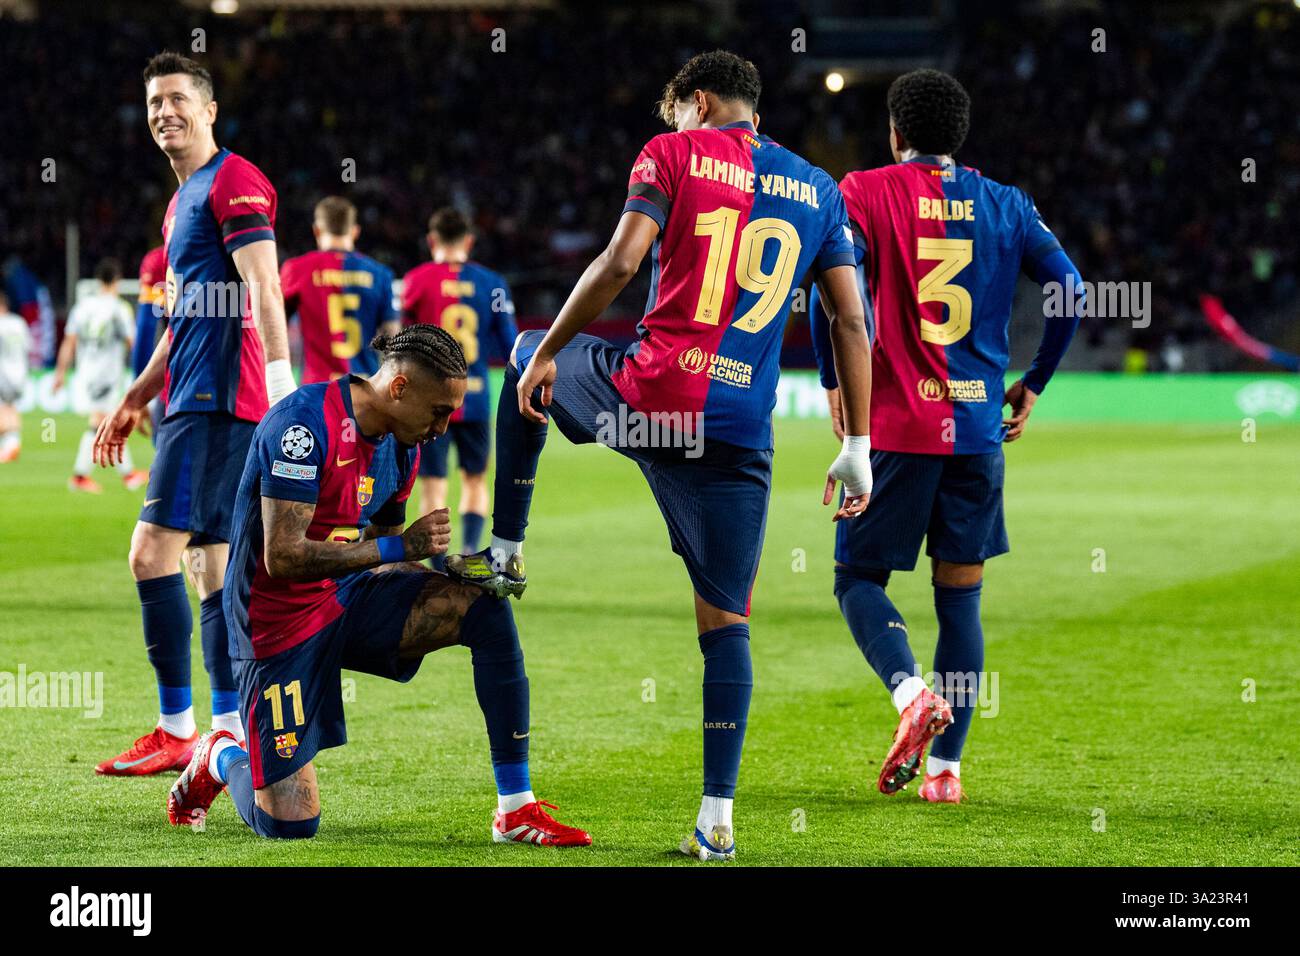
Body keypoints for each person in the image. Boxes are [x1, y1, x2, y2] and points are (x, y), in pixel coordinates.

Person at [448, 50, 874, 860]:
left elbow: (620, 261)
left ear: (699, 101)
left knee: (528, 351)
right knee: (726, 622)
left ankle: (505, 549)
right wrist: (857, 445)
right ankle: (717, 820)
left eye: (672, 110)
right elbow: (852, 323)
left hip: (650, 401)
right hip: (741, 428)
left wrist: (551, 353)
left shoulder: (674, 153)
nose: (667, 125)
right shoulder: (821, 188)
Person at [167, 325, 591, 848]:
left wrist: (448, 572)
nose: (442, 430)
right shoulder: (302, 426)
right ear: (398, 388)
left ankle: (516, 809)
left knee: (484, 608)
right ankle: (221, 753)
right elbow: (284, 557)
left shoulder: (402, 447)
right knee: (290, 825)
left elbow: (387, 559)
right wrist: (400, 549)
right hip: (274, 626)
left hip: (343, 600)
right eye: (438, 412)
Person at [810, 68, 1084, 803]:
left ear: (895, 131)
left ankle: (909, 694)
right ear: (960, 134)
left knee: (857, 579)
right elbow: (1072, 289)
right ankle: (946, 773)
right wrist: (1035, 382)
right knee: (960, 600)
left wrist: (836, 384)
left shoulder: (863, 192)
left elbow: (828, 289)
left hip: (897, 427)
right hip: (974, 431)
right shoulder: (1008, 203)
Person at [92, 51, 295, 776]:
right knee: (211, 569)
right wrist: (136, 394)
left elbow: (265, 289)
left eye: (178, 98)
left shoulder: (236, 179)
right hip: (188, 395)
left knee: (151, 555)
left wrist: (280, 394)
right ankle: (225, 730)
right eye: (153, 102)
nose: (164, 112)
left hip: (219, 401)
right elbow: (182, 318)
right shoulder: (182, 202)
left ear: (210, 110)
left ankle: (177, 727)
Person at [401, 207, 516, 567]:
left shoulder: (416, 281)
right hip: (477, 395)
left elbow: (397, 339)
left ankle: (436, 565)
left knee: (433, 483)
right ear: (469, 241)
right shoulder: (493, 283)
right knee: (475, 480)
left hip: (429, 400)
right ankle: (467, 553)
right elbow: (511, 343)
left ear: (431, 240)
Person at [280, 196, 398, 385]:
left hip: (317, 389)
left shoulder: (297, 270)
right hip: (367, 386)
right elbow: (393, 339)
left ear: (317, 230)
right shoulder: (379, 274)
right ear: (355, 231)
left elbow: (275, 325)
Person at [53, 258, 148, 492]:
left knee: (104, 420)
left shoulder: (82, 307)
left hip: (86, 373)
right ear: (116, 281)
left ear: (97, 281)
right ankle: (83, 476)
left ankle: (124, 474)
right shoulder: (119, 309)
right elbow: (133, 343)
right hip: (107, 374)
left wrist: (60, 373)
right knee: (102, 421)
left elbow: (69, 342)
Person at [0, 290, 30, 463]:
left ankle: (11, 446)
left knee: (4, 410)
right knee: (11, 408)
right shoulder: (19, 323)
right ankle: (11, 444)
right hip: (19, 374)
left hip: (3, 374)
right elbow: (27, 348)